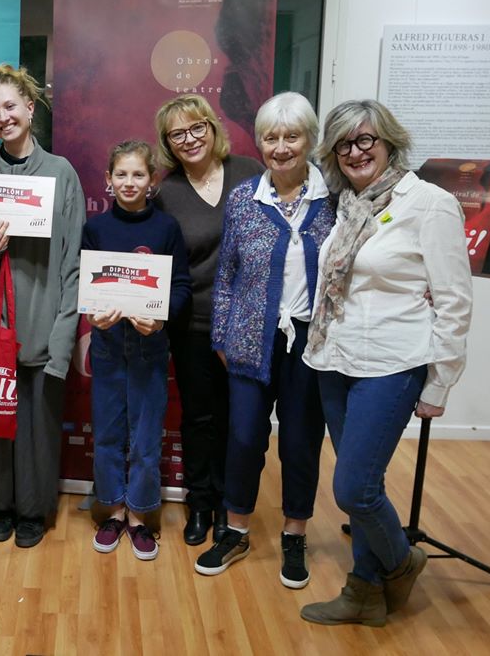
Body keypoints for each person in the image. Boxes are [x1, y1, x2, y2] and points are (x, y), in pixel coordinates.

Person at [300, 100, 472, 626]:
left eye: (366, 140)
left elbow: (454, 301)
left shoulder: (430, 203)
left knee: (354, 487)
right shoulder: (347, 204)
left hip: (392, 365)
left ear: (389, 142)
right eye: (344, 144)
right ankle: (365, 593)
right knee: (361, 487)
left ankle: (401, 561)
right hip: (336, 360)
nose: (355, 152)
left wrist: (440, 384)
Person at [193, 92, 335, 588]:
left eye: (291, 136)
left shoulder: (333, 199)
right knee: (244, 437)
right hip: (250, 340)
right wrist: (223, 334)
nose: (280, 147)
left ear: (309, 140)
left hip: (311, 345)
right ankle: (235, 531)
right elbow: (227, 273)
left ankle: (294, 536)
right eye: (271, 137)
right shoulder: (244, 198)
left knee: (300, 441)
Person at [0, 64, 85, 548]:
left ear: (30, 108)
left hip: (44, 316)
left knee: (38, 426)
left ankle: (32, 509)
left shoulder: (61, 173)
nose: (2, 117)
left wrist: (64, 334)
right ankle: (1, 504)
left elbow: (73, 263)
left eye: (10, 106)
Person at [153, 94, 263, 545]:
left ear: (213, 127)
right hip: (193, 323)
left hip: (249, 322)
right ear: (168, 144)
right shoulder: (167, 193)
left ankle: (229, 505)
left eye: (197, 127)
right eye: (177, 134)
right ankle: (201, 503)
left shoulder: (251, 174)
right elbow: (158, 260)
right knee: (199, 417)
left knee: (240, 421)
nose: (190, 139)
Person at [85, 140, 192, 561]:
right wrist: (94, 316)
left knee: (146, 438)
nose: (130, 182)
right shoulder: (96, 228)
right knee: (108, 433)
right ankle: (112, 510)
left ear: (152, 181)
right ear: (108, 180)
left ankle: (139, 516)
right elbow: (89, 286)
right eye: (121, 175)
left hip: (150, 346)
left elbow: (181, 285)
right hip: (109, 346)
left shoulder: (166, 229)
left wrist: (162, 316)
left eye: (139, 175)